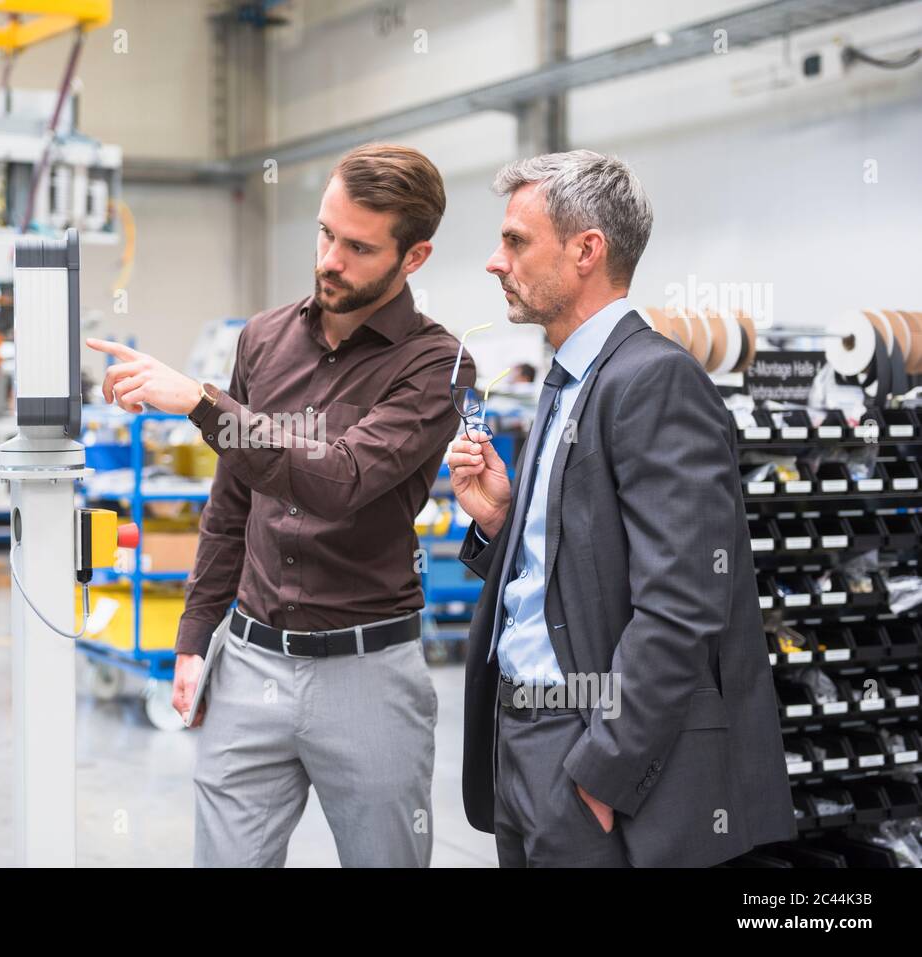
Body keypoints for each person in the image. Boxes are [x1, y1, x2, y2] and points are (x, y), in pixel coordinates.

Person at [87, 143, 474, 867]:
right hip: (249, 663)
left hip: (369, 674)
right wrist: (196, 633)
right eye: (326, 233)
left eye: (358, 247)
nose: (330, 258)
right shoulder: (262, 339)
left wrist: (204, 403)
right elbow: (232, 500)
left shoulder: (436, 365)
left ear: (413, 257)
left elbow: (343, 478)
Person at [447, 149, 795, 867]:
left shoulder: (654, 380)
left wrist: (606, 769)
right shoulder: (569, 376)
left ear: (586, 250)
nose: (493, 260)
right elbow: (577, 569)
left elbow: (682, 603)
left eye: (515, 240)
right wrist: (500, 523)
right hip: (523, 736)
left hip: (587, 744)